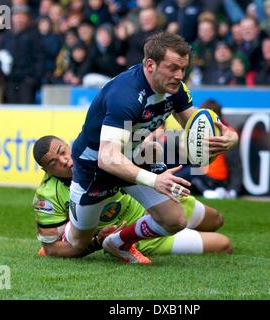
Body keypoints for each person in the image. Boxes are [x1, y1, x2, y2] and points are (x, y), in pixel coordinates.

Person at [68, 31, 238, 264]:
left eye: (183, 68)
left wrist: (229, 138)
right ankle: (62, 228)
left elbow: (194, 124)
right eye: (173, 68)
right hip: (95, 168)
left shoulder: (175, 88)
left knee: (175, 221)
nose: (179, 76)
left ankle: (117, 243)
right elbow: (107, 158)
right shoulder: (125, 95)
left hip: (135, 156)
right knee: (79, 243)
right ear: (150, 64)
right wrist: (155, 180)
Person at [32, 135, 233, 259]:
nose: (65, 161)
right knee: (224, 245)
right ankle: (121, 243)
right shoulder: (48, 195)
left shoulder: (96, 152)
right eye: (53, 162)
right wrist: (96, 242)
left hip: (159, 202)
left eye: (62, 152)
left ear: (68, 145)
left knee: (217, 220)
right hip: (144, 236)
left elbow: (139, 154)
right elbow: (52, 249)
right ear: (46, 170)